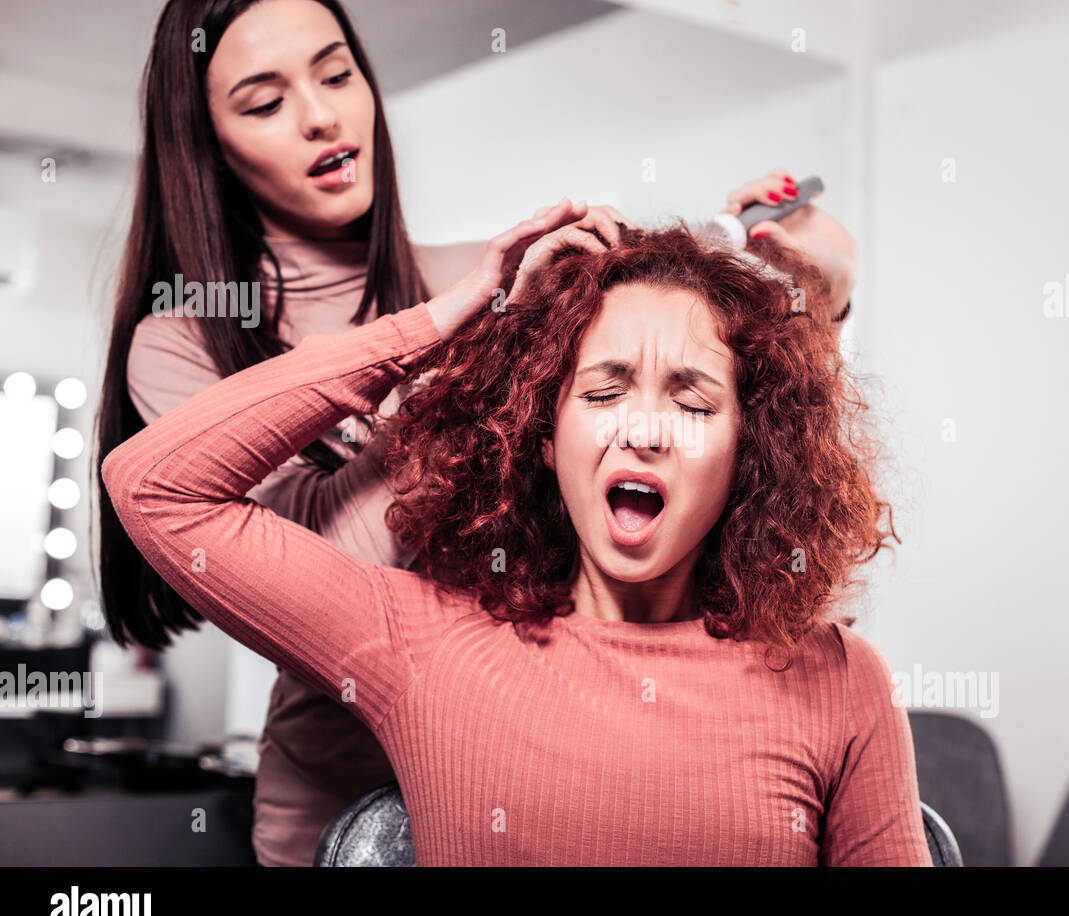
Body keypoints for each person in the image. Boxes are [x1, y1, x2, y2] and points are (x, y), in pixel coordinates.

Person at [94, 0, 859, 866]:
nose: (321, 115)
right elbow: (315, 567)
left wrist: (808, 280)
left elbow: (716, 413)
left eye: (338, 73)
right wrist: (447, 336)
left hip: (532, 770)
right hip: (333, 807)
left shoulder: (480, 271)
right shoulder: (185, 341)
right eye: (265, 102)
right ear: (207, 146)